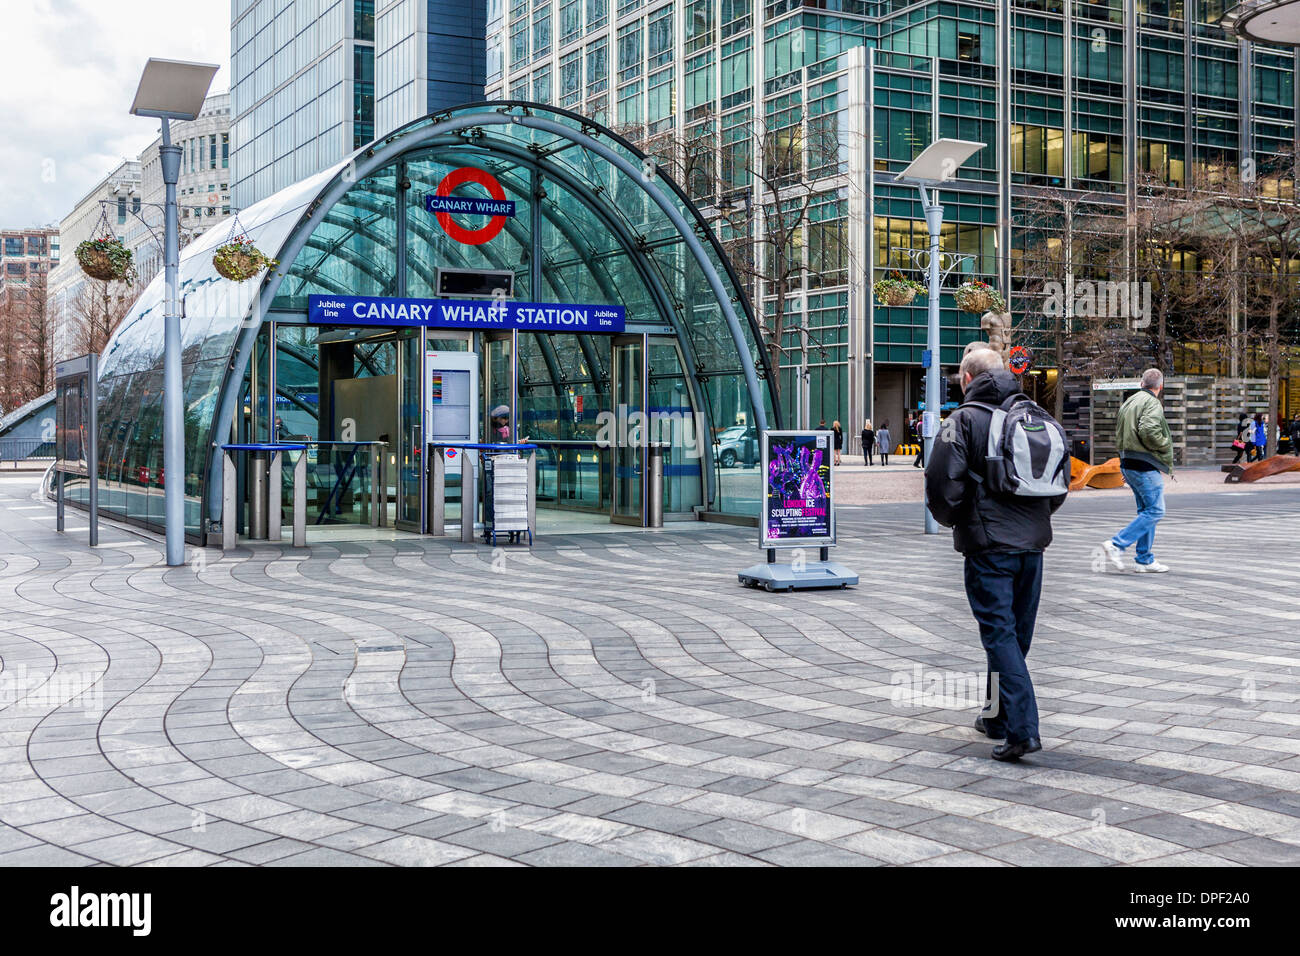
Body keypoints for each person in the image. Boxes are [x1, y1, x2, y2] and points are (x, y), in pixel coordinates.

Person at [925, 347, 1064, 761]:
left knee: (1000, 635)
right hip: (1032, 546)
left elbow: (940, 484)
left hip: (989, 546)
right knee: (1013, 636)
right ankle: (997, 716)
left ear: (968, 379)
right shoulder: (1039, 416)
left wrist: (958, 520)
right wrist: (1034, 521)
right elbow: (1057, 483)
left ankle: (1022, 728)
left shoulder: (964, 420)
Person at [1099, 369, 1173, 574]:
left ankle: (1144, 559)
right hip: (1144, 463)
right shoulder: (1151, 403)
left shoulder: (1129, 401)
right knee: (1156, 510)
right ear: (1160, 386)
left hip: (1128, 462)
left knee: (1146, 511)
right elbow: (1148, 430)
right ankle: (1117, 544)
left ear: (1141, 383)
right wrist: (1164, 444)